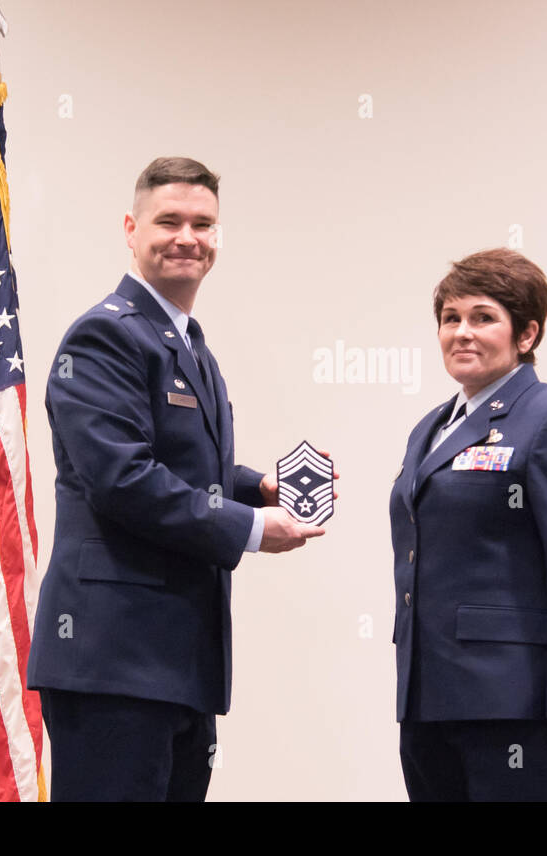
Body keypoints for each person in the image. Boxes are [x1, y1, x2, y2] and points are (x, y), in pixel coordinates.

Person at [26, 157, 327, 801]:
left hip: (176, 663)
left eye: (203, 223)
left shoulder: (188, 343)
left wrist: (256, 488)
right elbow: (122, 479)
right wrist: (249, 527)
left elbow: (182, 466)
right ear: (131, 229)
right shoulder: (106, 334)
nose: (187, 237)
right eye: (169, 221)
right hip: (113, 660)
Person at [388, 248, 547, 801]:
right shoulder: (432, 426)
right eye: (451, 318)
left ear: (526, 334)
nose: (462, 333)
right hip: (429, 703)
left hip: (520, 706)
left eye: (483, 317)